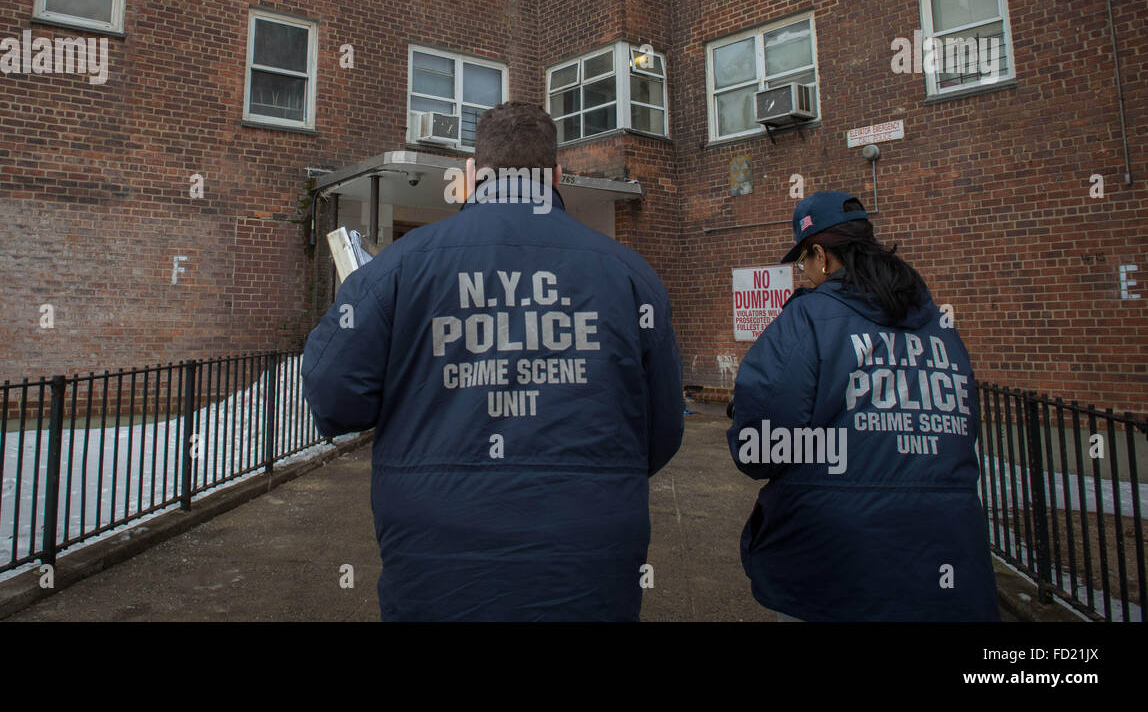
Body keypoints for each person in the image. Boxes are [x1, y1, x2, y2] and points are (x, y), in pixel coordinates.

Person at [301, 101, 685, 621]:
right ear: (555, 175)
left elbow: (335, 398)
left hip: (438, 564)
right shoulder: (629, 275)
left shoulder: (400, 268)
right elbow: (661, 431)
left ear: (472, 174)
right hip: (587, 563)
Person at [726, 191, 999, 621]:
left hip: (834, 563)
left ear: (820, 253)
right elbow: (965, 428)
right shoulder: (938, 325)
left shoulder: (808, 318)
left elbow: (759, 447)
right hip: (946, 554)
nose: (806, 273)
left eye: (804, 262)